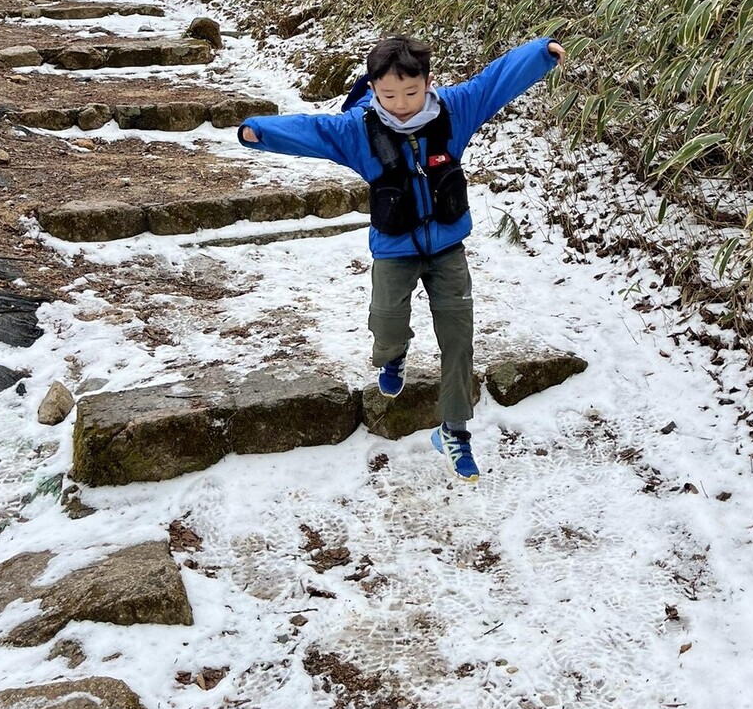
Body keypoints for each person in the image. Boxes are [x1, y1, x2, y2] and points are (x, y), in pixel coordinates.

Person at [238, 34, 565, 483]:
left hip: (448, 249)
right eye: (389, 95)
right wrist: (260, 131)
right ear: (373, 89)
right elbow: (313, 130)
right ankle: (393, 356)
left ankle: (454, 431)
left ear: (428, 83)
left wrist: (538, 56)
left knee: (458, 336)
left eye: (411, 93)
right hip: (394, 252)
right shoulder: (359, 129)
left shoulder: (453, 110)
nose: (402, 104)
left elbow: (494, 83)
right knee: (387, 321)